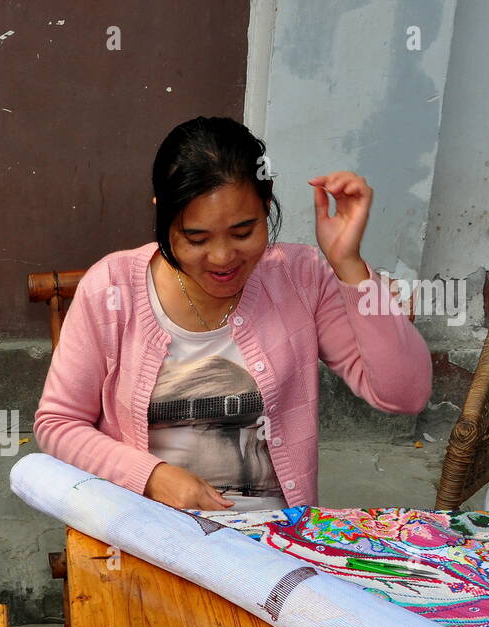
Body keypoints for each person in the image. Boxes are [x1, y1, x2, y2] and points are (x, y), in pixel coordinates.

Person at [34, 116, 432, 512]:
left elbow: (404, 394)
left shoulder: (300, 278)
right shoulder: (112, 287)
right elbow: (58, 424)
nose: (223, 258)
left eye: (243, 233)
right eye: (197, 238)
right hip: (147, 528)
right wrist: (152, 476)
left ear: (267, 201)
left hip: (273, 538)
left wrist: (348, 264)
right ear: (162, 215)